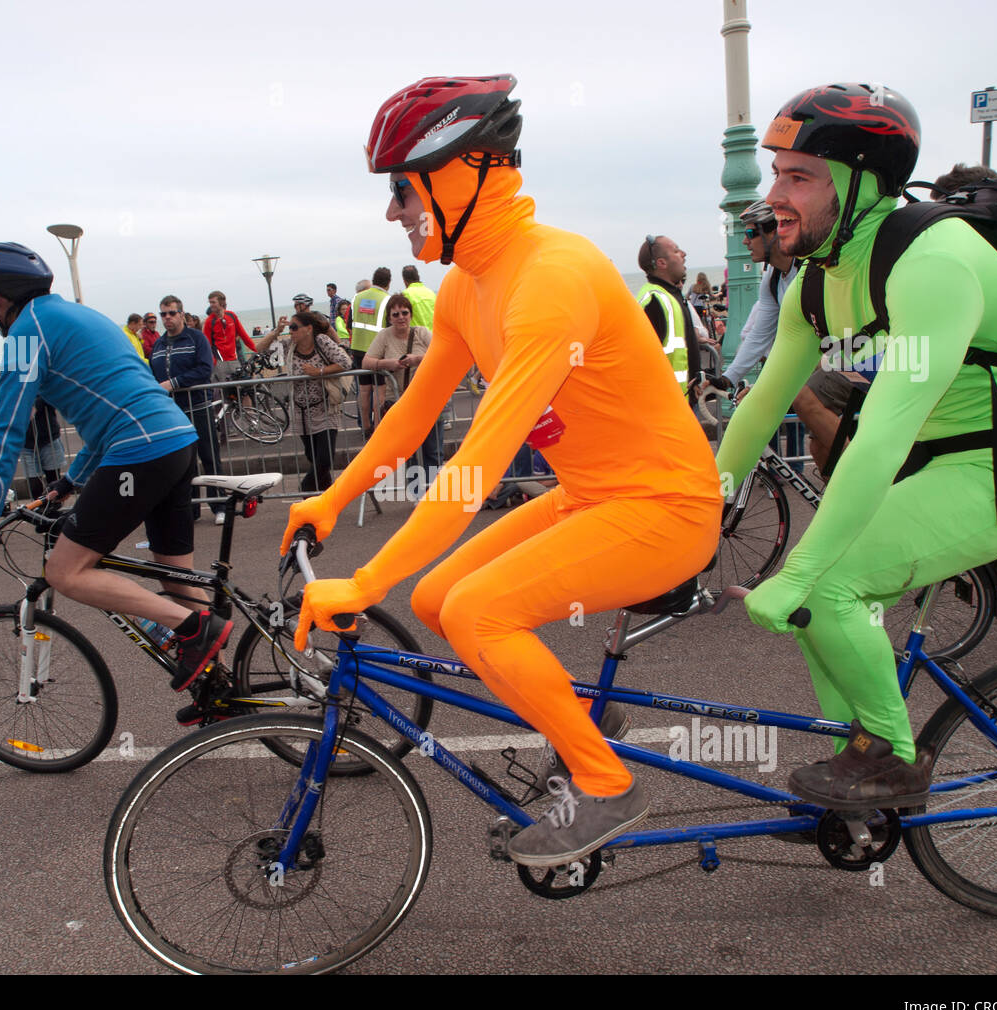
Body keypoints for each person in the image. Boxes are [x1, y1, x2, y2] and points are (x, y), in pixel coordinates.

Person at [283, 74, 722, 866]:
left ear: (465, 172)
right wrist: (332, 494)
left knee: (481, 610)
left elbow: (474, 467)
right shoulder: (464, 285)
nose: (393, 211)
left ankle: (605, 780)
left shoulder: (552, 278)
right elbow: (412, 415)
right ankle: (585, 723)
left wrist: (364, 580)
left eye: (402, 188)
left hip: (667, 506)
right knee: (439, 598)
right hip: (591, 496)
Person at [715, 83, 997, 809]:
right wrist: (695, 514)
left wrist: (802, 568)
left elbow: (884, 430)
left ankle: (890, 759)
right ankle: (858, 757)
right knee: (814, 601)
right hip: (938, 456)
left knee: (825, 584)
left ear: (860, 184)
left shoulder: (934, 260)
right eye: (776, 170)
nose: (773, 194)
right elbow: (761, 406)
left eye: (798, 176)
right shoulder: (818, 279)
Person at [0, 244, 232, 696]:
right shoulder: (83, 316)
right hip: (176, 442)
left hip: (139, 452)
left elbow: (6, 431)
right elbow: (109, 416)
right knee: (175, 575)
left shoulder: (27, 333)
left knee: (66, 572)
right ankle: (219, 691)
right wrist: (69, 483)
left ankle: (192, 629)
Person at [710, 199, 800, 393]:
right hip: (805, 360)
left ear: (775, 232)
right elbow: (759, 335)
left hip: (841, 355)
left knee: (801, 398)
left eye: (751, 233)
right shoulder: (771, 277)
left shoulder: (806, 270)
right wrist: (727, 379)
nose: (745, 241)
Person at [148, 295, 223, 523]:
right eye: (163, 314)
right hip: (172, 412)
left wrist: (174, 383)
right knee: (183, 461)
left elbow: (204, 368)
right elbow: (154, 373)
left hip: (198, 406)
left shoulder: (196, 338)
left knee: (209, 456)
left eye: (171, 313)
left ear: (181, 313)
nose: (167, 318)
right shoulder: (159, 344)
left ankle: (219, 505)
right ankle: (190, 508)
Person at [257, 310, 350, 491]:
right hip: (301, 412)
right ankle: (323, 499)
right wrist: (277, 331)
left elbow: (345, 362)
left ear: (308, 329)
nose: (290, 331)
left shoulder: (321, 341)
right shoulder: (289, 345)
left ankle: (307, 489)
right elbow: (260, 349)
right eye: (289, 328)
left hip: (325, 408)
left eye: (294, 327)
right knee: (313, 458)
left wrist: (319, 372)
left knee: (325, 458)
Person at [363, 292, 441, 477]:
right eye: (396, 314)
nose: (401, 318)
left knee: (432, 450)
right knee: (409, 452)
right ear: (389, 318)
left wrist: (417, 359)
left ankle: (434, 493)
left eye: (404, 313)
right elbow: (366, 361)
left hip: (427, 401)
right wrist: (387, 364)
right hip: (400, 402)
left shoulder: (422, 333)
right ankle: (417, 493)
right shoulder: (384, 336)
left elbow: (440, 356)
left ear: (410, 315)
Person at [635, 236, 701, 397]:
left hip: (682, 401)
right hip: (664, 407)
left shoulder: (671, 296)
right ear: (661, 263)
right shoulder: (653, 300)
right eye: (676, 251)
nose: (683, 254)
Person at [351, 269, 392, 437]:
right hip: (376, 349)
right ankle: (377, 426)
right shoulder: (386, 300)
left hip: (358, 347)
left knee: (364, 390)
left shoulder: (357, 298)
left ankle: (365, 426)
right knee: (379, 390)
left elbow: (350, 321)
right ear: (388, 283)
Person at [203, 291, 257, 382]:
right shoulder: (209, 321)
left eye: (213, 302)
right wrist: (214, 362)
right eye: (210, 303)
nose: (211, 305)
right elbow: (206, 345)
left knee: (242, 389)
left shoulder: (231, 316)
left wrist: (256, 349)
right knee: (225, 392)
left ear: (222, 302)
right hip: (219, 362)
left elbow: (244, 336)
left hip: (234, 360)